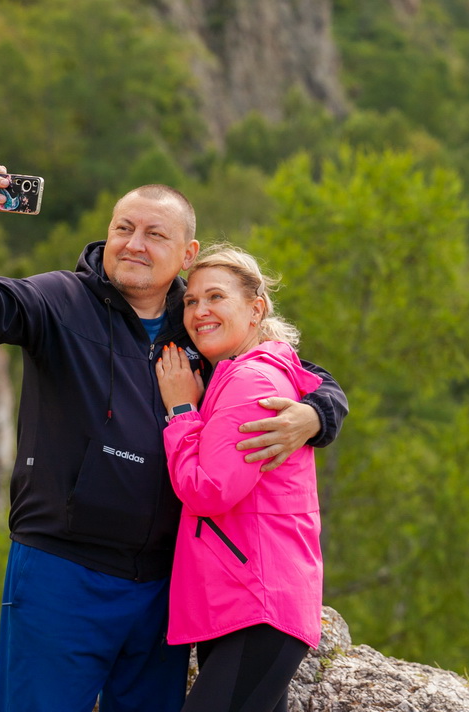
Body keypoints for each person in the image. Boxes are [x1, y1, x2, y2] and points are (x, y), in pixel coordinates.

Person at [0, 161, 348, 712]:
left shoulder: (201, 324)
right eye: (124, 228)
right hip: (62, 569)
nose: (133, 244)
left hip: (162, 588)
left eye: (155, 234)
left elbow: (306, 373)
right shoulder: (60, 301)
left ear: (188, 254)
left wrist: (317, 414)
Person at [156, 245, 325, 712]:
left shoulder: (251, 382)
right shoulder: (244, 372)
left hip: (256, 603)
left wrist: (181, 411)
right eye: (190, 301)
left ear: (256, 308)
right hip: (244, 600)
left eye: (215, 297)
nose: (200, 311)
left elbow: (208, 491)